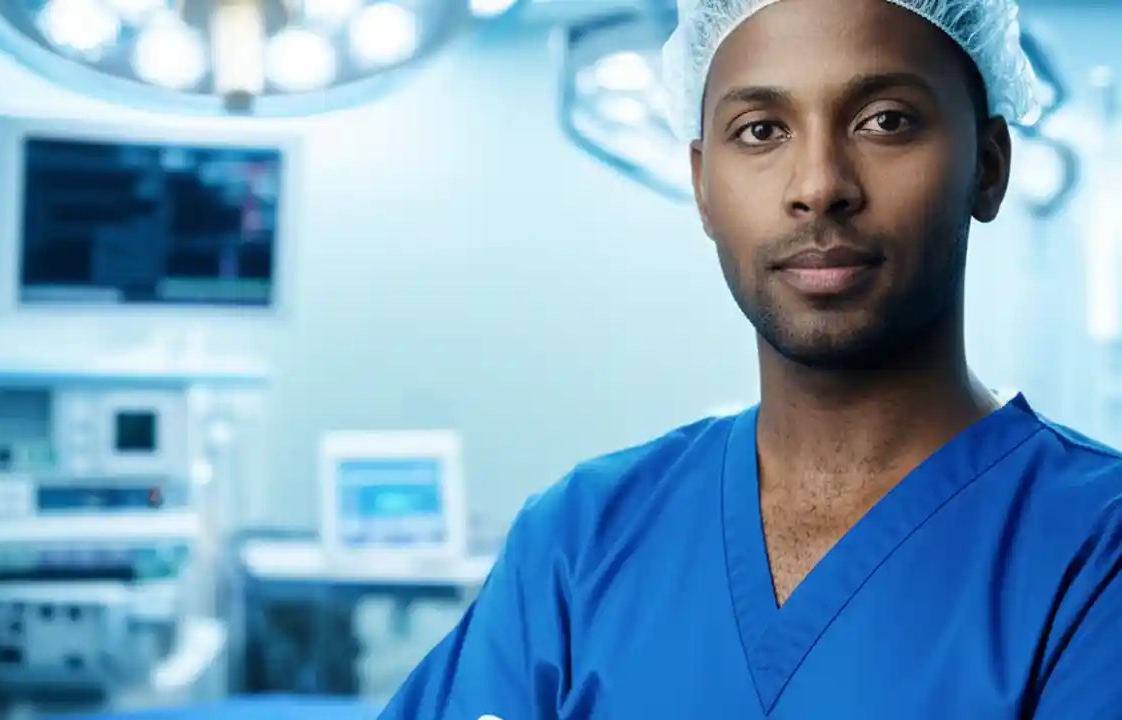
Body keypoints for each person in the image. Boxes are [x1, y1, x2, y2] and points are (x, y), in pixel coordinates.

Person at [381, 0, 1122, 716]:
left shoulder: (1094, 547)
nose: (819, 186)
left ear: (988, 166)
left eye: (885, 121)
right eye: (762, 130)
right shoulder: (579, 542)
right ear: (703, 185)